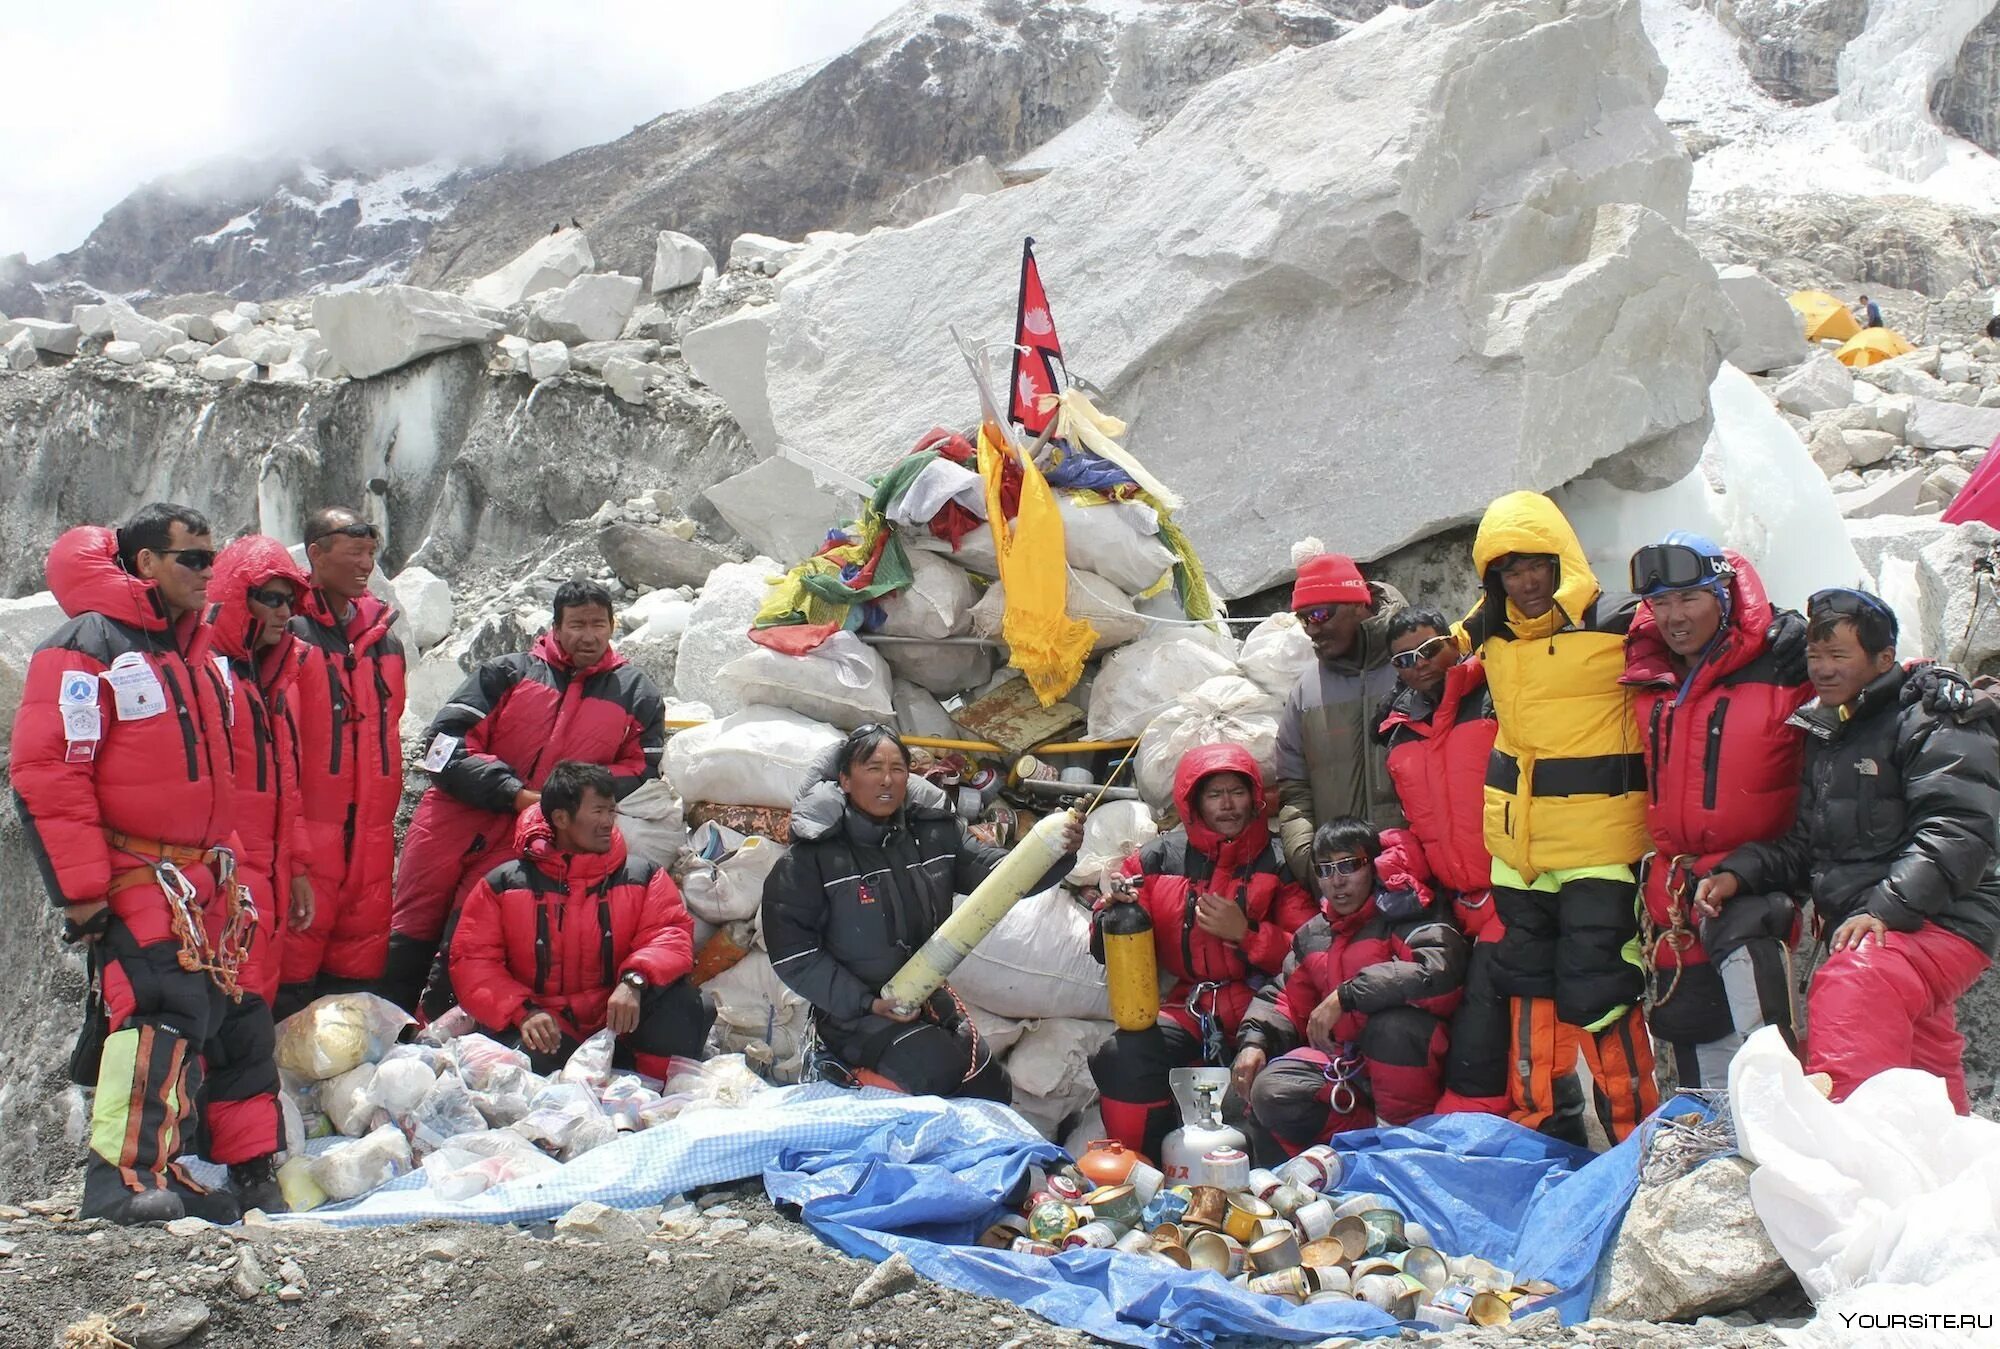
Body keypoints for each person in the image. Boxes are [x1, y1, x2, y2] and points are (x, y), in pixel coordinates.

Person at [10, 506, 264, 1223]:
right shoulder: (88, 646)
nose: (207, 572)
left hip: (193, 880)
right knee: (154, 1010)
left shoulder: (188, 649)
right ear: (145, 563)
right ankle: (115, 1180)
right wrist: (84, 894)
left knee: (196, 1013)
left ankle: (158, 1164)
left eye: (212, 558)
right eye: (192, 558)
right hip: (137, 873)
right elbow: (50, 772)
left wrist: (230, 869)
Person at [1696, 591, 2000, 1111]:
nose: (1823, 670)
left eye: (1839, 657)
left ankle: (1842, 1146)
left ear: (1885, 660)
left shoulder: (1932, 718)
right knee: (1924, 1065)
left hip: (1941, 919)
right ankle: (1956, 1168)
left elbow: (1959, 831)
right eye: (1816, 657)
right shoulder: (1831, 730)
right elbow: (1809, 845)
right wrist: (1739, 874)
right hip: (1884, 925)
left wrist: (1883, 910)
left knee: (1854, 979)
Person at [1452, 491, 1660, 1144]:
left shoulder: (1620, 624)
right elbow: (1447, 648)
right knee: (1528, 997)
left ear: (1561, 559)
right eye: (1510, 570)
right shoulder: (1495, 633)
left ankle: (1636, 1145)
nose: (1527, 580)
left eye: (1537, 563)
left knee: (1602, 994)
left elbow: (1701, 639)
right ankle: (1542, 1143)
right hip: (1520, 856)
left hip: (1600, 850)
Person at [387, 578, 666, 1013]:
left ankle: (437, 1039)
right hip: (451, 820)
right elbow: (443, 743)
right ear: (555, 627)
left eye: (597, 623)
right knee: (408, 931)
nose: (587, 635)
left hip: (535, 837)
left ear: (613, 626)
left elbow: (642, 765)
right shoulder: (506, 672)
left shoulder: (636, 693)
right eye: (576, 624)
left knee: (473, 938)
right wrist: (513, 792)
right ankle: (383, 1026)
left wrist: (565, 797)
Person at [763, 725, 1082, 1102]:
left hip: (923, 994)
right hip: (853, 1016)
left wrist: (1054, 852)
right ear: (845, 780)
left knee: (992, 1087)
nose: (887, 779)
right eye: (873, 768)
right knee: (939, 1075)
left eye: (897, 768)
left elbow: (1002, 880)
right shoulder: (811, 860)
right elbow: (795, 955)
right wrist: (868, 1003)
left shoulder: (933, 834)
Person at [1620, 533, 1811, 1090]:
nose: (1674, 617)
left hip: (1758, 882)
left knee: (1768, 1054)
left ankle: (1783, 1150)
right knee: (1696, 1047)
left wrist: (1931, 680)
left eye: (1690, 599)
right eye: (1661, 604)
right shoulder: (1648, 671)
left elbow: (1866, 672)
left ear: (1725, 593)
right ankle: (1713, 1162)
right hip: (1675, 890)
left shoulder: (1785, 664)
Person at [1087, 744, 1318, 1160]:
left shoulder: (1280, 861)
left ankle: (1268, 1174)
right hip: (1189, 1004)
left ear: (1255, 798)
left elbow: (1308, 953)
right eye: (1215, 795)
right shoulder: (1161, 856)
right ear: (1193, 802)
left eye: (1237, 792)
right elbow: (1111, 934)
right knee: (1124, 1056)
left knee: (1274, 1076)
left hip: (1262, 1005)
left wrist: (1246, 934)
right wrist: (1112, 909)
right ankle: (1139, 1168)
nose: (1228, 805)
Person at [197, 534, 323, 1211]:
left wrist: (297, 868)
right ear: (235, 598)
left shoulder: (267, 677)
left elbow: (286, 787)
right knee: (233, 1018)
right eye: (270, 598)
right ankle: (237, 1164)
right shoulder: (210, 672)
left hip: (262, 878)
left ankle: (235, 1159)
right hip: (223, 878)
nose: (283, 612)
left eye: (290, 601)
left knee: (248, 1015)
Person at [450, 761, 713, 1075]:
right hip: (547, 1028)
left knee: (688, 1006)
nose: (608, 823)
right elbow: (472, 961)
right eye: (598, 812)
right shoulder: (503, 885)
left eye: (611, 812)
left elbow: (670, 934)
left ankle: (652, 1094)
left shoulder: (643, 876)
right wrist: (523, 1012)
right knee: (508, 1069)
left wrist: (634, 981)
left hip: (620, 1023)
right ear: (561, 818)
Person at [1233, 820, 1467, 1158]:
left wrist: (1347, 995)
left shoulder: (1408, 912)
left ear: (1373, 866)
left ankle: (1404, 1148)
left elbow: (1439, 974)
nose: (1337, 881)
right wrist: (1254, 1042)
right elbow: (1283, 996)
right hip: (1349, 1073)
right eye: (1325, 870)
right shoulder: (1314, 934)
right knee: (1266, 1088)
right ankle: (1360, 1150)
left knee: (1394, 1027)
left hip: (1417, 1076)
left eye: (1348, 866)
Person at [1373, 606, 1509, 1115]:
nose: (1420, 665)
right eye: (1405, 660)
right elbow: (1409, 820)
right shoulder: (1398, 730)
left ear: (1454, 643)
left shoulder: (1494, 694)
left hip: (1511, 890)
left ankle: (1502, 1132)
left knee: (1495, 1026)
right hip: (1451, 902)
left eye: (1430, 650)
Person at [281, 507, 406, 1017]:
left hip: (371, 836)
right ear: (315, 553)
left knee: (352, 984)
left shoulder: (385, 642)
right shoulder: (287, 631)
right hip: (310, 835)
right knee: (290, 971)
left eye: (371, 555)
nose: (365, 566)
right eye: (354, 553)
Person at [1275, 552, 1408, 884]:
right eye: (1303, 619)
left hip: (1418, 874)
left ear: (1358, 606)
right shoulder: (1306, 693)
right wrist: (1309, 861)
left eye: (1320, 614)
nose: (1311, 629)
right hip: (1343, 885)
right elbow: (1295, 792)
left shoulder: (1414, 665)